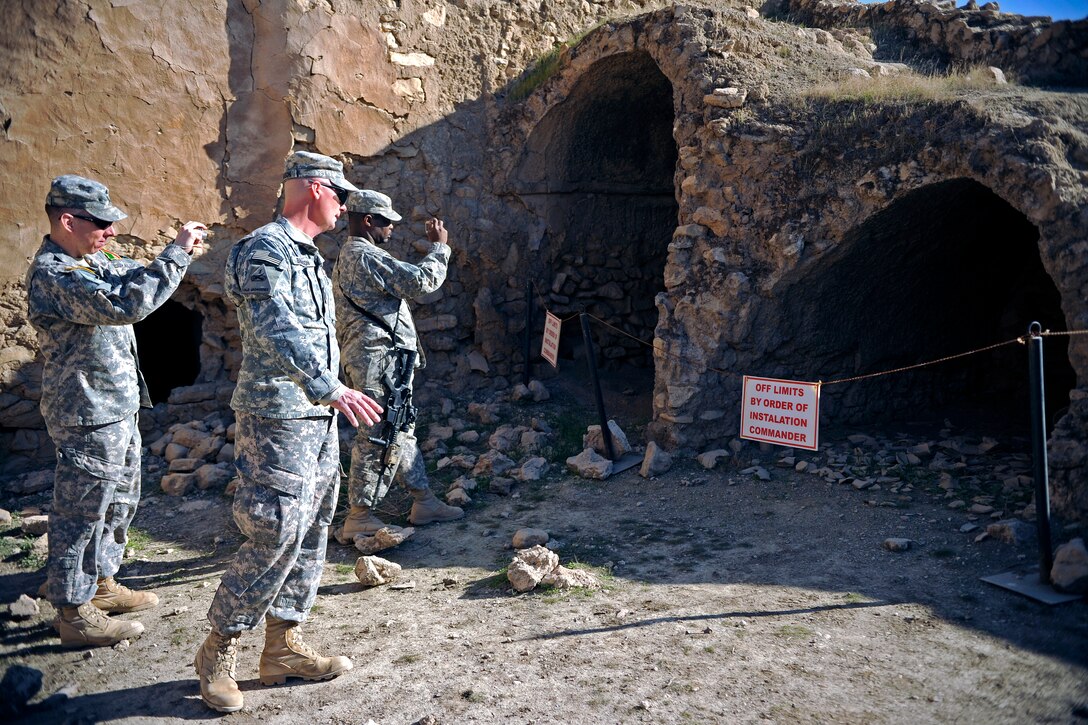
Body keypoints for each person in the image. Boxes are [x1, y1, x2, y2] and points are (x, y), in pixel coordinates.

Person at [194, 151, 383, 713]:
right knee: (275, 528)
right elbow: (273, 326)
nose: (345, 205)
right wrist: (331, 387)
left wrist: (330, 394)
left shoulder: (308, 256)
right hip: (276, 414)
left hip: (315, 416)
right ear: (312, 189)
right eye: (340, 194)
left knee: (315, 526)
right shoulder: (263, 250)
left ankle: (282, 645)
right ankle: (218, 648)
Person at [26, 174, 205, 648]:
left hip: (114, 405)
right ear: (68, 220)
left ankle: (100, 583)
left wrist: (169, 255)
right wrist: (177, 253)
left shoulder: (87, 261)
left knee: (119, 500)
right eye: (101, 222)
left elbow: (125, 274)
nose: (110, 231)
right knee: (81, 511)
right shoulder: (54, 274)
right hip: (85, 411)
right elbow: (130, 302)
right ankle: (73, 610)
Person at [332, 189, 463, 546]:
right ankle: (359, 517)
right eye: (387, 222)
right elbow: (422, 283)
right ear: (368, 221)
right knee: (377, 434)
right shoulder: (363, 255)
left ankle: (424, 502)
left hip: (382, 360)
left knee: (399, 428)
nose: (392, 229)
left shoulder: (353, 255)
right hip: (379, 361)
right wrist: (439, 248)